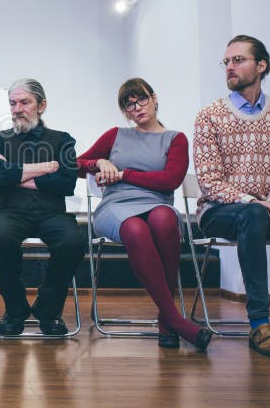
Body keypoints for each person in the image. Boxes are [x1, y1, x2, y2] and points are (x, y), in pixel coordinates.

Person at [194, 35, 270, 358]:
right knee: (253, 215)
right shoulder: (210, 116)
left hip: (267, 208)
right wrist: (254, 203)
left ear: (261, 66)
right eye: (227, 62)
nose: (230, 67)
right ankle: (259, 323)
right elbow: (208, 180)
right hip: (220, 211)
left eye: (238, 60)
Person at [77, 78, 213, 351]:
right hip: (115, 205)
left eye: (141, 100)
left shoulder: (175, 139)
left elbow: (169, 181)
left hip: (157, 202)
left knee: (164, 220)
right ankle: (175, 320)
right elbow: (76, 165)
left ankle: (167, 320)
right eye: (129, 105)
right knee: (135, 229)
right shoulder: (115, 135)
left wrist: (125, 174)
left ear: (154, 98)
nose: (137, 108)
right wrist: (99, 162)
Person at [0, 78, 84, 336]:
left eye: (24, 102)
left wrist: (14, 176)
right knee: (0, 235)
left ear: (42, 105)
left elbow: (66, 181)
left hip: (53, 214)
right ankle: (15, 310)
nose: (17, 109)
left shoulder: (62, 140)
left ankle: (48, 310)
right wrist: (45, 168)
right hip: (10, 213)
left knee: (72, 240)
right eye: (13, 103)